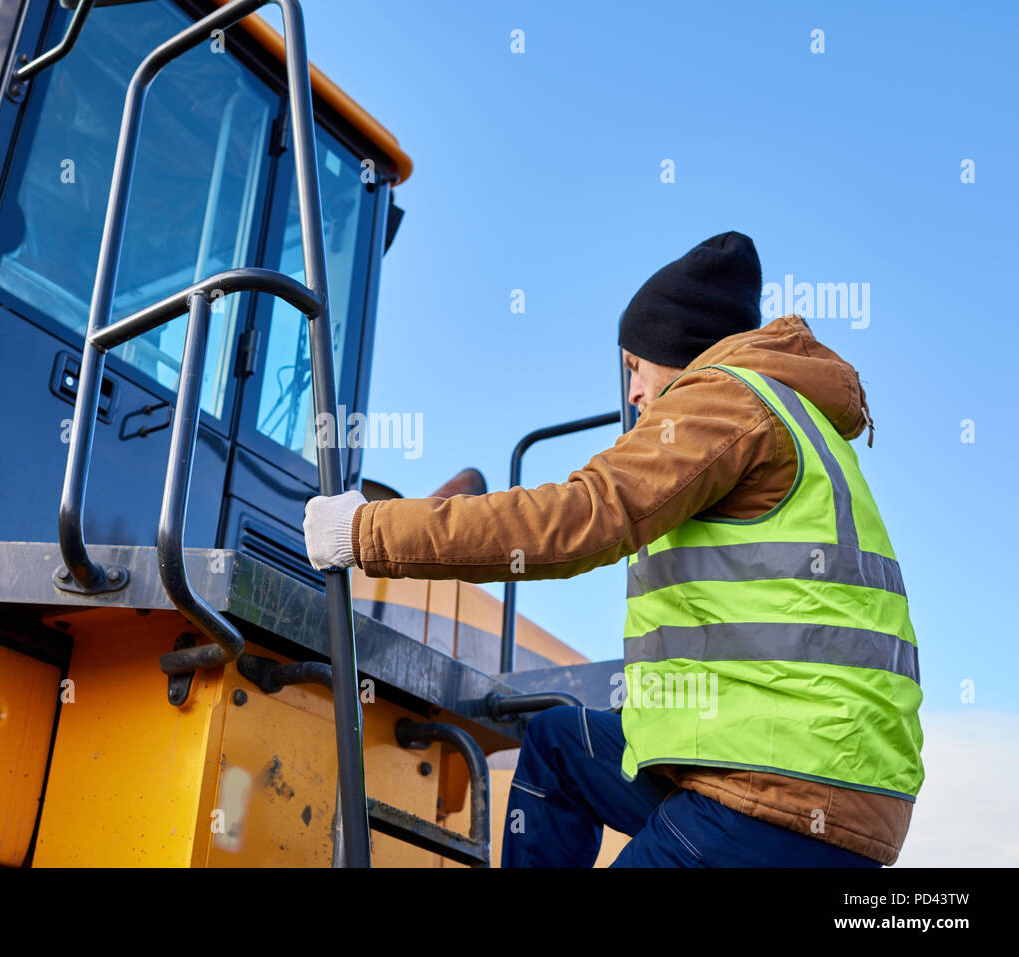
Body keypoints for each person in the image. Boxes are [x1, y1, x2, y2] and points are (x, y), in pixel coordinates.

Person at [303, 231, 923, 867]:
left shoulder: (725, 401)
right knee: (556, 746)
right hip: (794, 762)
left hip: (782, 788)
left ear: (681, 355)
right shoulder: (788, 416)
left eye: (635, 368)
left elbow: (582, 515)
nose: (632, 394)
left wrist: (365, 530)